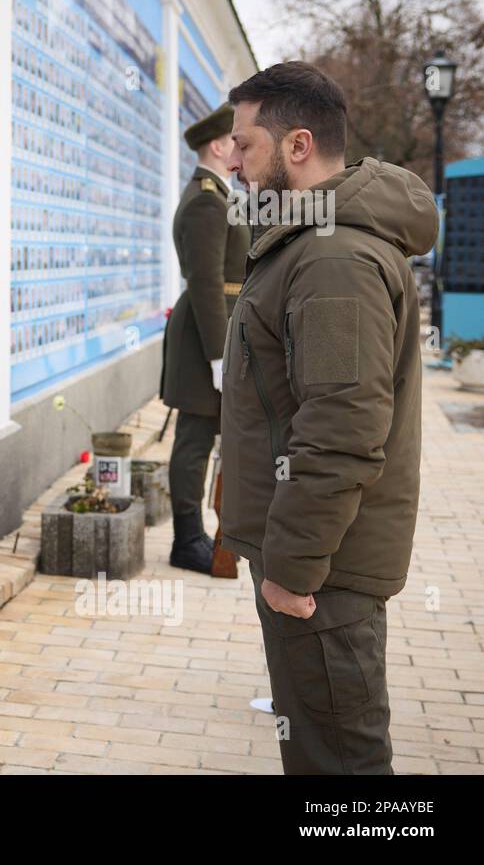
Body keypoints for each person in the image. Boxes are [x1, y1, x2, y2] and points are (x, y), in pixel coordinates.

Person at [220, 61, 438, 775]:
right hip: (315, 562)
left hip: (323, 574)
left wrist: (293, 567)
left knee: (340, 766)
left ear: (298, 145)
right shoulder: (313, 241)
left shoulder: (333, 255)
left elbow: (343, 428)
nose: (234, 163)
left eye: (246, 144)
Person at [157, 103, 245, 574]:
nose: (240, 148)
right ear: (217, 145)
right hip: (204, 336)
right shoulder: (206, 201)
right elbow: (209, 283)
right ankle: (186, 538)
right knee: (193, 439)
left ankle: (197, 533)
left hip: (213, 330)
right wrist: (218, 355)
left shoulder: (217, 195)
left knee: (204, 436)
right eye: (236, 140)